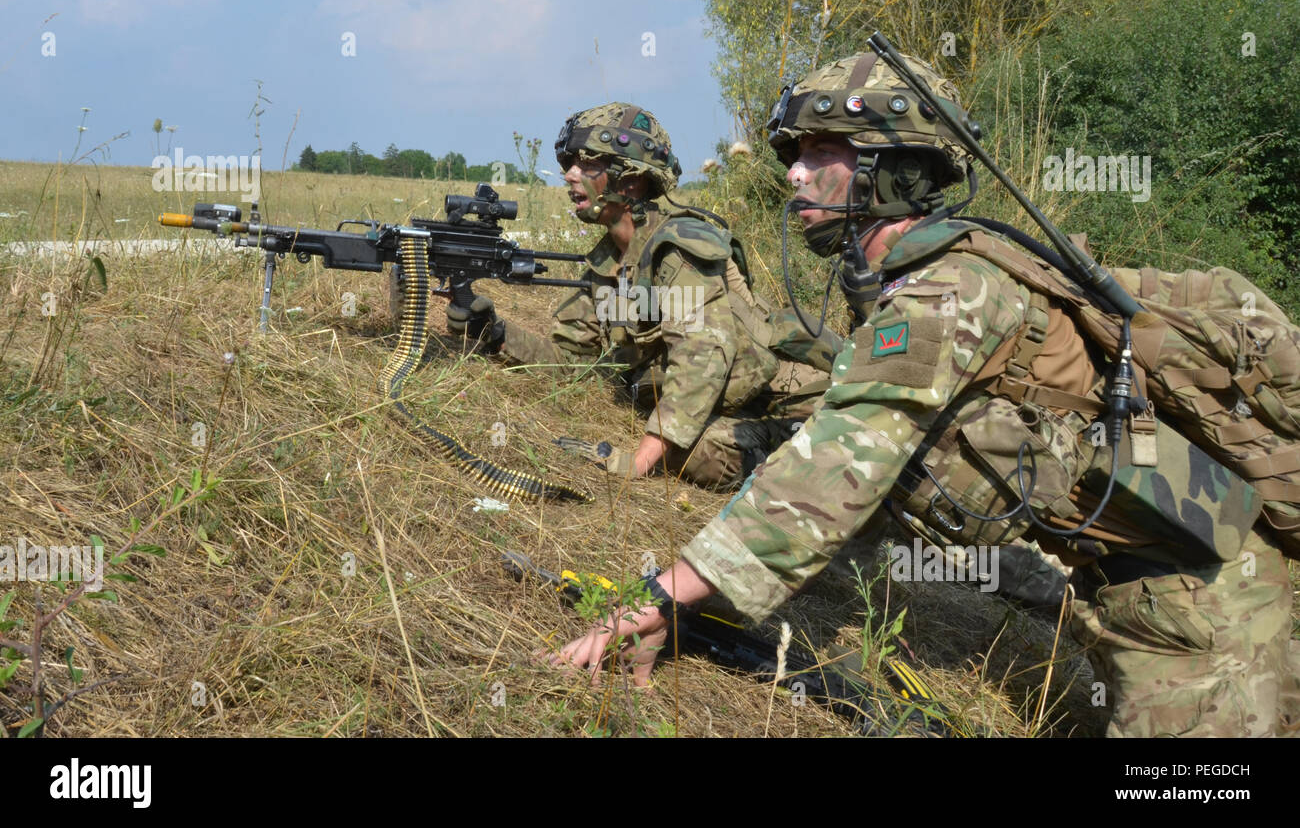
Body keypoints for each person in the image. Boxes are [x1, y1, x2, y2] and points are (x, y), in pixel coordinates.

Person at [549, 54, 1300, 737]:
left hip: (1201, 601)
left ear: (895, 169)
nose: (794, 176)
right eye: (794, 154)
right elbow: (862, 470)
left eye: (819, 153)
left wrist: (659, 597)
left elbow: (836, 466)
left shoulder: (951, 292)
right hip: (1136, 592)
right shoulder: (904, 281)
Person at [447, 103, 836, 490]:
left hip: (786, 404)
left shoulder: (679, 245)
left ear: (630, 179)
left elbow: (702, 354)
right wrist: (495, 335)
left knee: (704, 454)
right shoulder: (605, 264)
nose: (569, 176)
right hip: (732, 408)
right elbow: (573, 362)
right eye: (570, 164)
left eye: (588, 164)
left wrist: (638, 462)